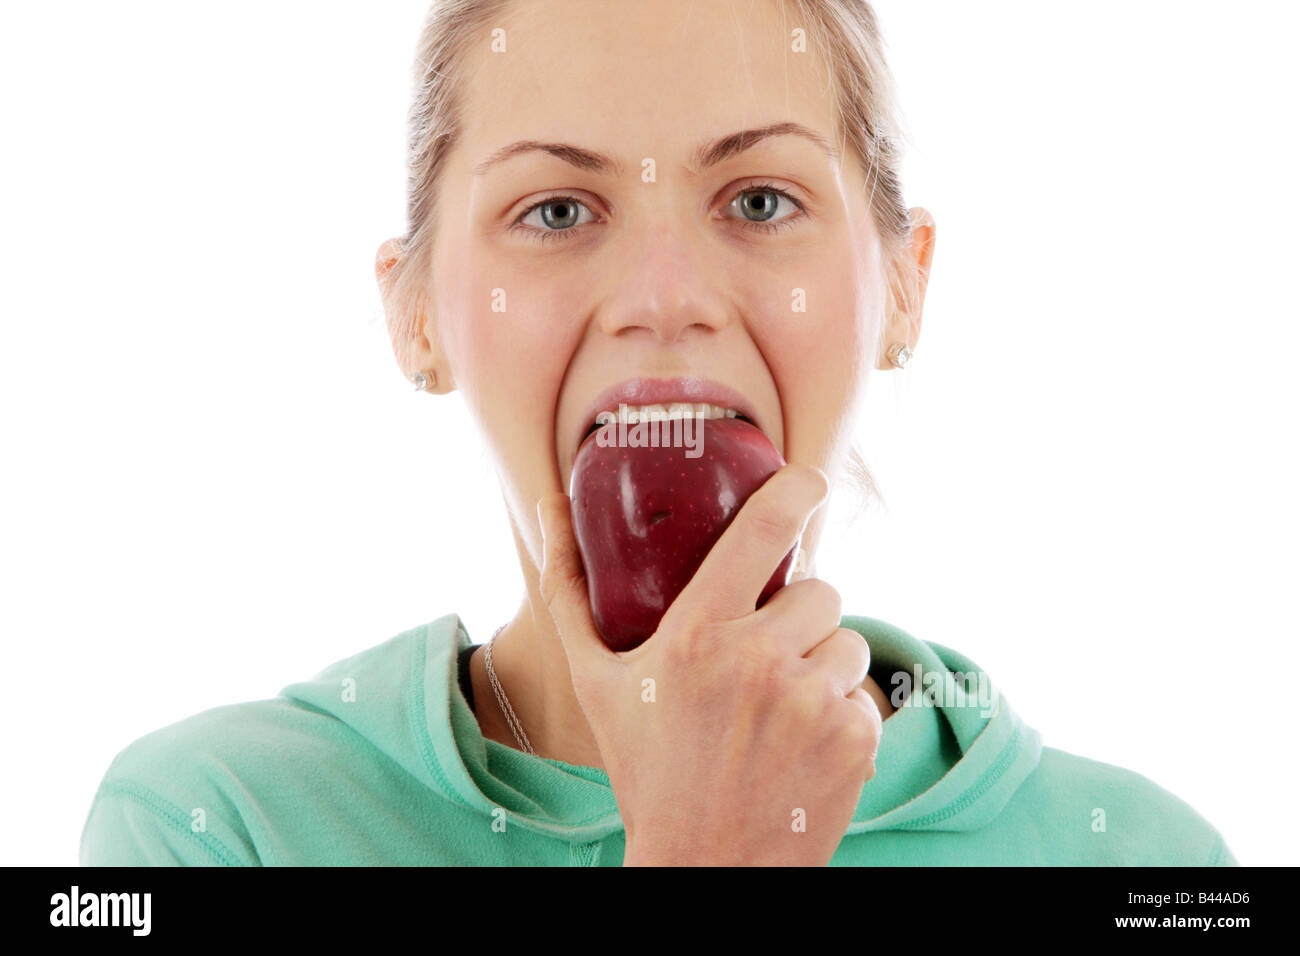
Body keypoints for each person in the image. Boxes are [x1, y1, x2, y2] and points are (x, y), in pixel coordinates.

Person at [80, 0, 1237, 866]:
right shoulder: (211, 825)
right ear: (417, 314)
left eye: (760, 200)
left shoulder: (1148, 865)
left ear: (904, 284)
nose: (664, 294)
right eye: (557, 209)